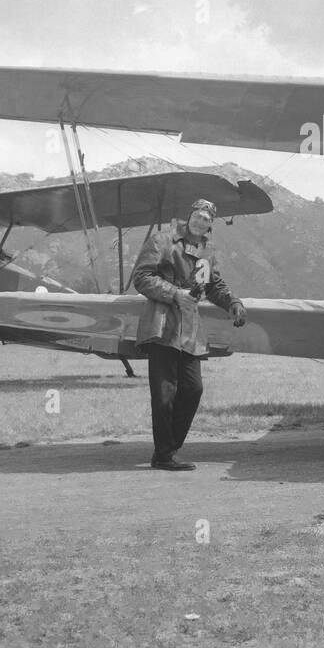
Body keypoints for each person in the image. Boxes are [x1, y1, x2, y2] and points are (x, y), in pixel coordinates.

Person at [130, 198, 247, 471]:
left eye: (206, 218)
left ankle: (169, 449)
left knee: (193, 389)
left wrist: (233, 303)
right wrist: (175, 294)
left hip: (190, 330)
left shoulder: (208, 251)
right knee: (164, 393)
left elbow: (214, 285)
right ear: (189, 215)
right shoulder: (162, 240)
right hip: (161, 325)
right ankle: (164, 455)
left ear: (211, 225)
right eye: (197, 215)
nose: (200, 221)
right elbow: (142, 277)